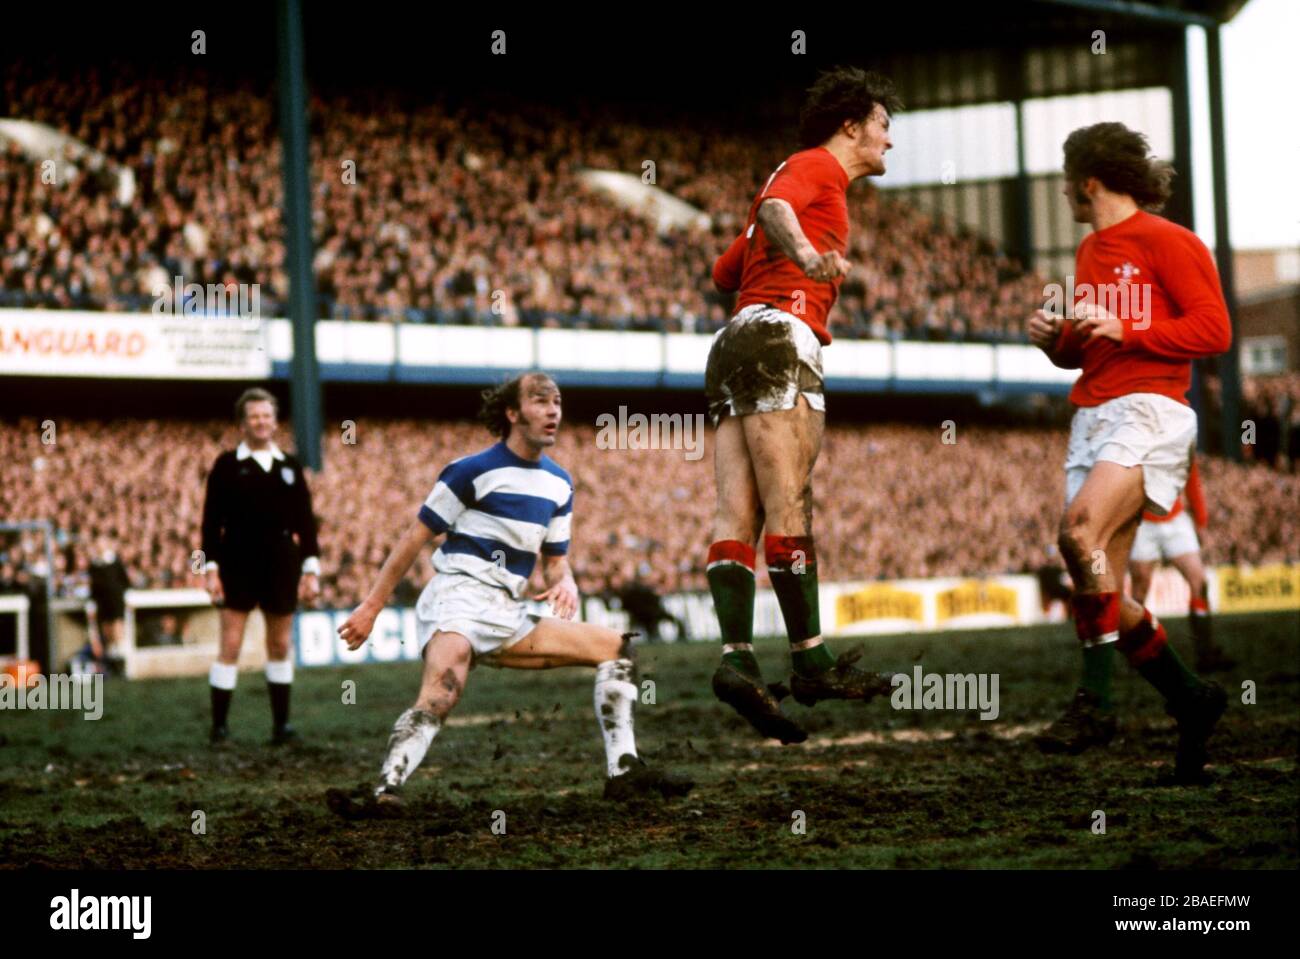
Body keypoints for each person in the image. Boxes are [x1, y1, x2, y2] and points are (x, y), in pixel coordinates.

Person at [337, 372, 692, 804]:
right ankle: (386, 789)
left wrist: (567, 584)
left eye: (557, 402)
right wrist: (372, 607)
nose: (553, 411)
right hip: (458, 598)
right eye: (541, 402)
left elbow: (555, 564)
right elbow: (413, 538)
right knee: (442, 693)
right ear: (512, 413)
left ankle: (623, 771)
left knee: (617, 648)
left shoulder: (559, 484)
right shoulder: (470, 471)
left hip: (509, 612)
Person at [1027, 122, 1232, 783]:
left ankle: (1096, 705)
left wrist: (1129, 325)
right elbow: (1092, 349)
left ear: (1087, 181)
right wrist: (1055, 342)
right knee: (1106, 592)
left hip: (1150, 412)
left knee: (1076, 530)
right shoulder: (1090, 253)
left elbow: (1215, 329)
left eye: (1066, 181)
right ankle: (1191, 697)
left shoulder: (1169, 241)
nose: (1064, 192)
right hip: (1093, 414)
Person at [705, 66, 900, 743]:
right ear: (850, 126)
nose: (889, 143)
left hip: (733, 342)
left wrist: (774, 250)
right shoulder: (815, 167)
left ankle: (736, 658)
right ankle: (810, 657)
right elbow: (774, 211)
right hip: (781, 336)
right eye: (883, 127)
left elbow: (724, 271)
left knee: (738, 511)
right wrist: (808, 255)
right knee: (791, 499)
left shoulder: (803, 176)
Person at [201, 388, 321, 745]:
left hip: (282, 561)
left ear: (274, 420)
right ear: (242, 423)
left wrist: (311, 568)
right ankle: (219, 728)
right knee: (231, 644)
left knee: (280, 645)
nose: (261, 422)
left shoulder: (289, 465)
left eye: (267, 415)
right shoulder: (225, 465)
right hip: (237, 560)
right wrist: (210, 569)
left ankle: (281, 727)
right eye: (254, 416)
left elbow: (305, 521)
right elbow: (210, 523)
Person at [1129, 460, 1235, 672]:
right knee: (1139, 591)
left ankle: (1205, 653)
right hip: (1142, 522)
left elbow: (1191, 476)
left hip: (1175, 519)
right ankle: (1136, 653)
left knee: (1199, 582)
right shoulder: (1135, 432)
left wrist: (1200, 520)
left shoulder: (1178, 431)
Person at [87, 535, 130, 672]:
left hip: (116, 601)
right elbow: (93, 587)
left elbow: (125, 581)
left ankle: (121, 664)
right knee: (107, 633)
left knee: (118, 630)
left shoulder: (115, 561)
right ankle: (111, 663)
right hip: (102, 603)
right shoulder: (94, 565)